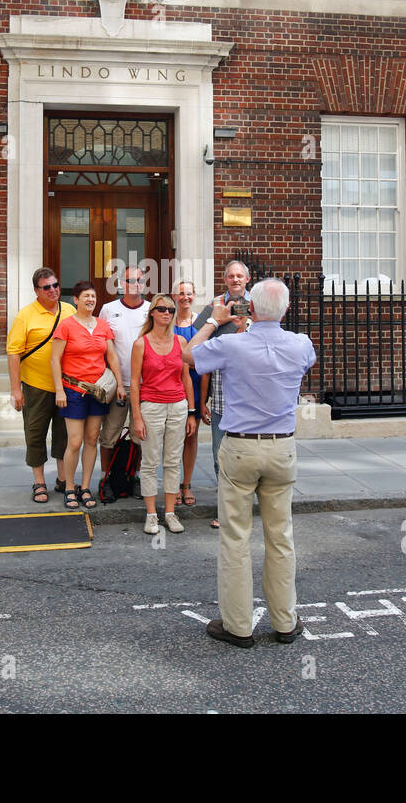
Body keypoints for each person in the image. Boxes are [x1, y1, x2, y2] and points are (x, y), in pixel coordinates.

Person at [184, 278, 317, 649]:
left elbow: (188, 355)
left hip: (240, 448)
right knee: (281, 537)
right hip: (281, 447)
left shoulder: (232, 344)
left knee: (235, 538)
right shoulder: (301, 344)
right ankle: (285, 622)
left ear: (250, 309)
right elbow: (306, 362)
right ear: (286, 309)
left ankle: (239, 626)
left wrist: (213, 319)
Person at [50, 281, 124, 511]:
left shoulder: (102, 326)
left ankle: (85, 487)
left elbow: (111, 357)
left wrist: (120, 384)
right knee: (75, 441)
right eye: (86, 297)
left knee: (92, 439)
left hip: (98, 391)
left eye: (93, 296)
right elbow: (55, 359)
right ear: (76, 300)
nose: (90, 300)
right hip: (73, 389)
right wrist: (59, 390)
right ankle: (70, 488)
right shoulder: (66, 326)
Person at [192, 260, 253, 528]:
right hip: (219, 396)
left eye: (240, 276)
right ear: (225, 279)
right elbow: (200, 345)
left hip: (250, 398)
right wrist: (217, 321)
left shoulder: (259, 304)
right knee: (220, 454)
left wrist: (244, 325)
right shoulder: (215, 305)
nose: (235, 280)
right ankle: (225, 508)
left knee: (247, 455)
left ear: (247, 279)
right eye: (231, 276)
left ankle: (243, 509)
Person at [6, 267, 75, 504]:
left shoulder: (69, 310)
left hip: (65, 385)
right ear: (37, 291)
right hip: (35, 386)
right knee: (35, 433)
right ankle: (39, 481)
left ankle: (63, 479)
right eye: (47, 287)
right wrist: (16, 389)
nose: (54, 290)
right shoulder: (25, 315)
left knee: (64, 434)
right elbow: (14, 352)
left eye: (56, 285)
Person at [131, 293, 198, 535]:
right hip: (151, 406)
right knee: (149, 463)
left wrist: (192, 412)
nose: (167, 313)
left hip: (178, 406)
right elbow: (135, 383)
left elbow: (186, 379)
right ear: (152, 313)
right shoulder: (141, 344)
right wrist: (136, 417)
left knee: (172, 462)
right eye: (161, 309)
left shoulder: (180, 342)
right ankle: (151, 515)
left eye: (170, 310)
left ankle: (170, 513)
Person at [96, 265, 150, 486]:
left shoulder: (151, 309)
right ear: (121, 284)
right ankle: (105, 477)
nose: (135, 284)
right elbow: (101, 346)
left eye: (139, 280)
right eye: (130, 280)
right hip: (118, 385)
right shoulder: (108, 309)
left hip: (144, 385)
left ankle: (134, 475)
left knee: (140, 435)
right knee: (109, 434)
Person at [171, 281, 203, 509]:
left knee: (191, 435)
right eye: (181, 293)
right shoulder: (166, 320)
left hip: (196, 382)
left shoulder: (201, 322)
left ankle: (187, 483)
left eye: (189, 293)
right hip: (171, 382)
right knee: (172, 437)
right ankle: (172, 486)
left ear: (194, 296)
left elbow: (206, 356)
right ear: (174, 296)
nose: (185, 297)